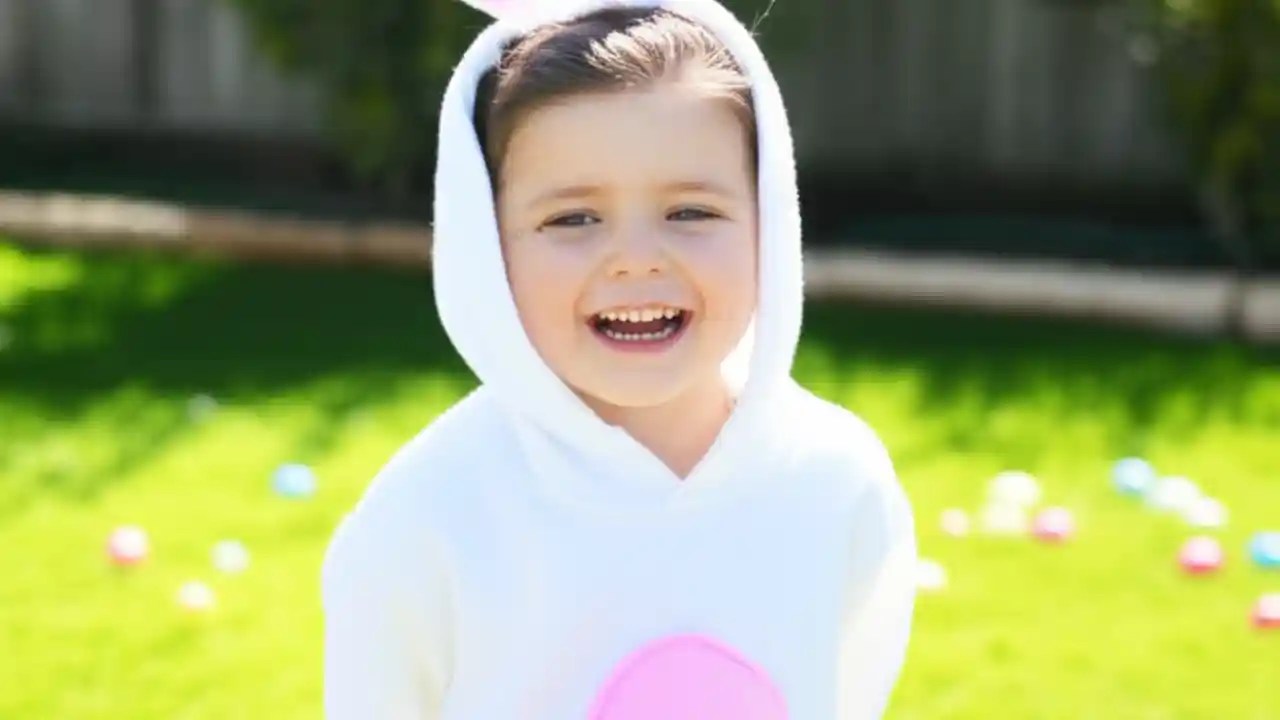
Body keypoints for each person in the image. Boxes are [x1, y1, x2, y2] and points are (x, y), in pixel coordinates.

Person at [321, 0, 917, 717]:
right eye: (573, 219)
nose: (636, 260)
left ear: (768, 217)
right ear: (487, 246)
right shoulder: (427, 519)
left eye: (690, 212)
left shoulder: (836, 480)